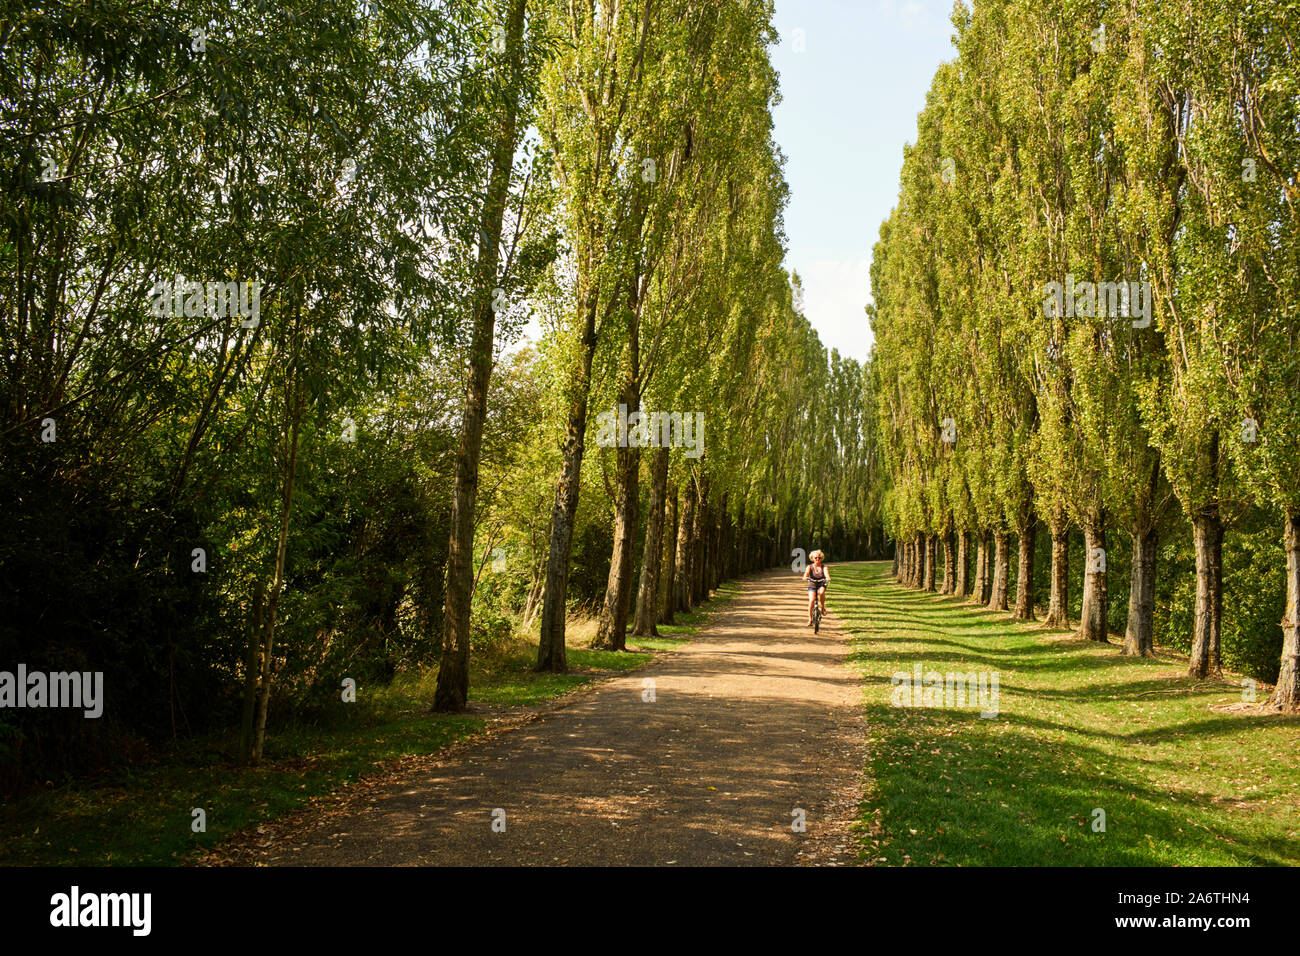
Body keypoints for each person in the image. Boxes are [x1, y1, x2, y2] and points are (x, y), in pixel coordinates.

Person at [802, 549, 829, 626]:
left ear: (821, 558)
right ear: (812, 558)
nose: (817, 559)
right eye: (815, 557)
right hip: (812, 583)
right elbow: (806, 573)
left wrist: (828, 578)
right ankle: (810, 619)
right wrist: (805, 577)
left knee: (821, 592)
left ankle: (823, 607)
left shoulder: (824, 567)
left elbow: (826, 574)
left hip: (821, 583)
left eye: (819, 558)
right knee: (812, 600)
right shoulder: (809, 567)